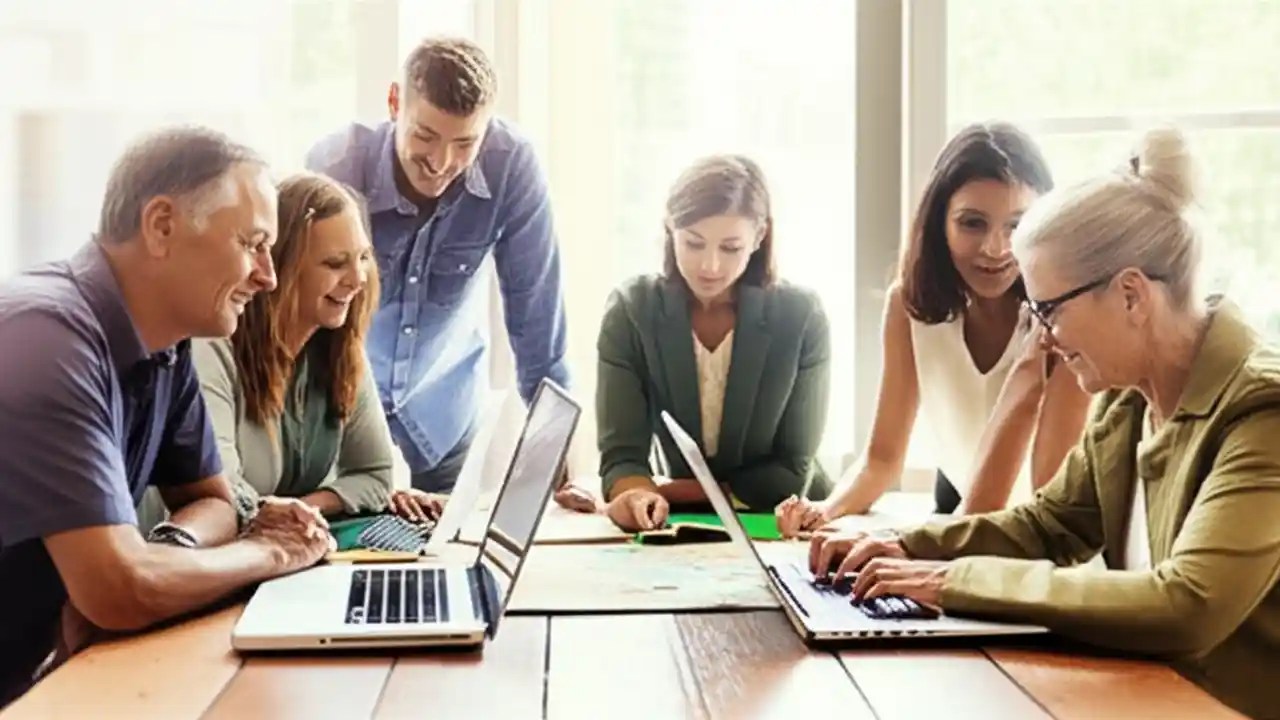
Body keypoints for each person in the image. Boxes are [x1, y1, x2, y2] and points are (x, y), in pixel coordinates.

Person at [809, 127, 1280, 720]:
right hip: (1147, 696)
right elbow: (1050, 524)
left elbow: (1187, 604)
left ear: (1131, 296)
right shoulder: (1129, 398)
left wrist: (951, 582)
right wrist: (902, 545)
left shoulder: (1263, 411)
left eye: (1049, 310)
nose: (1043, 336)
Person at [0, 127, 333, 707]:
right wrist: (271, 554)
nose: (269, 276)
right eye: (253, 243)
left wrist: (166, 554)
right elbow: (118, 590)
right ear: (161, 226)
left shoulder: (167, 344)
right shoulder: (44, 337)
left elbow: (215, 504)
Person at [777, 122, 1092, 537]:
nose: (995, 249)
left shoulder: (1067, 317)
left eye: (1016, 226)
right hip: (967, 528)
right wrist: (823, 511)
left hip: (1046, 543)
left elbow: (1049, 498)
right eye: (972, 223)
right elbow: (882, 460)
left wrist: (927, 548)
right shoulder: (907, 307)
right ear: (939, 221)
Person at [306, 36, 570, 495]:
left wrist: (555, 449)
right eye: (425, 136)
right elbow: (300, 315)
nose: (441, 162)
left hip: (443, 412)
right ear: (395, 103)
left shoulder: (512, 165)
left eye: (465, 142)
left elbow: (537, 315)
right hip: (343, 409)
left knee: (447, 538)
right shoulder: (336, 166)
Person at [150, 173, 441, 527]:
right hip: (199, 550)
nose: (357, 279)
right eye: (335, 263)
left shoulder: (338, 346)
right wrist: (292, 514)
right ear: (282, 268)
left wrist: (303, 510)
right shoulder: (211, 347)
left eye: (363, 257)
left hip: (274, 545)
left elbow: (376, 475)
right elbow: (219, 494)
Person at [594, 155, 833, 532]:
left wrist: (668, 491)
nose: (710, 266)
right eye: (693, 243)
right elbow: (621, 456)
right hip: (674, 526)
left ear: (759, 237)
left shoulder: (801, 316)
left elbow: (790, 472)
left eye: (730, 248)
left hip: (783, 524)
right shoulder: (631, 312)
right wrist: (637, 496)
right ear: (670, 227)